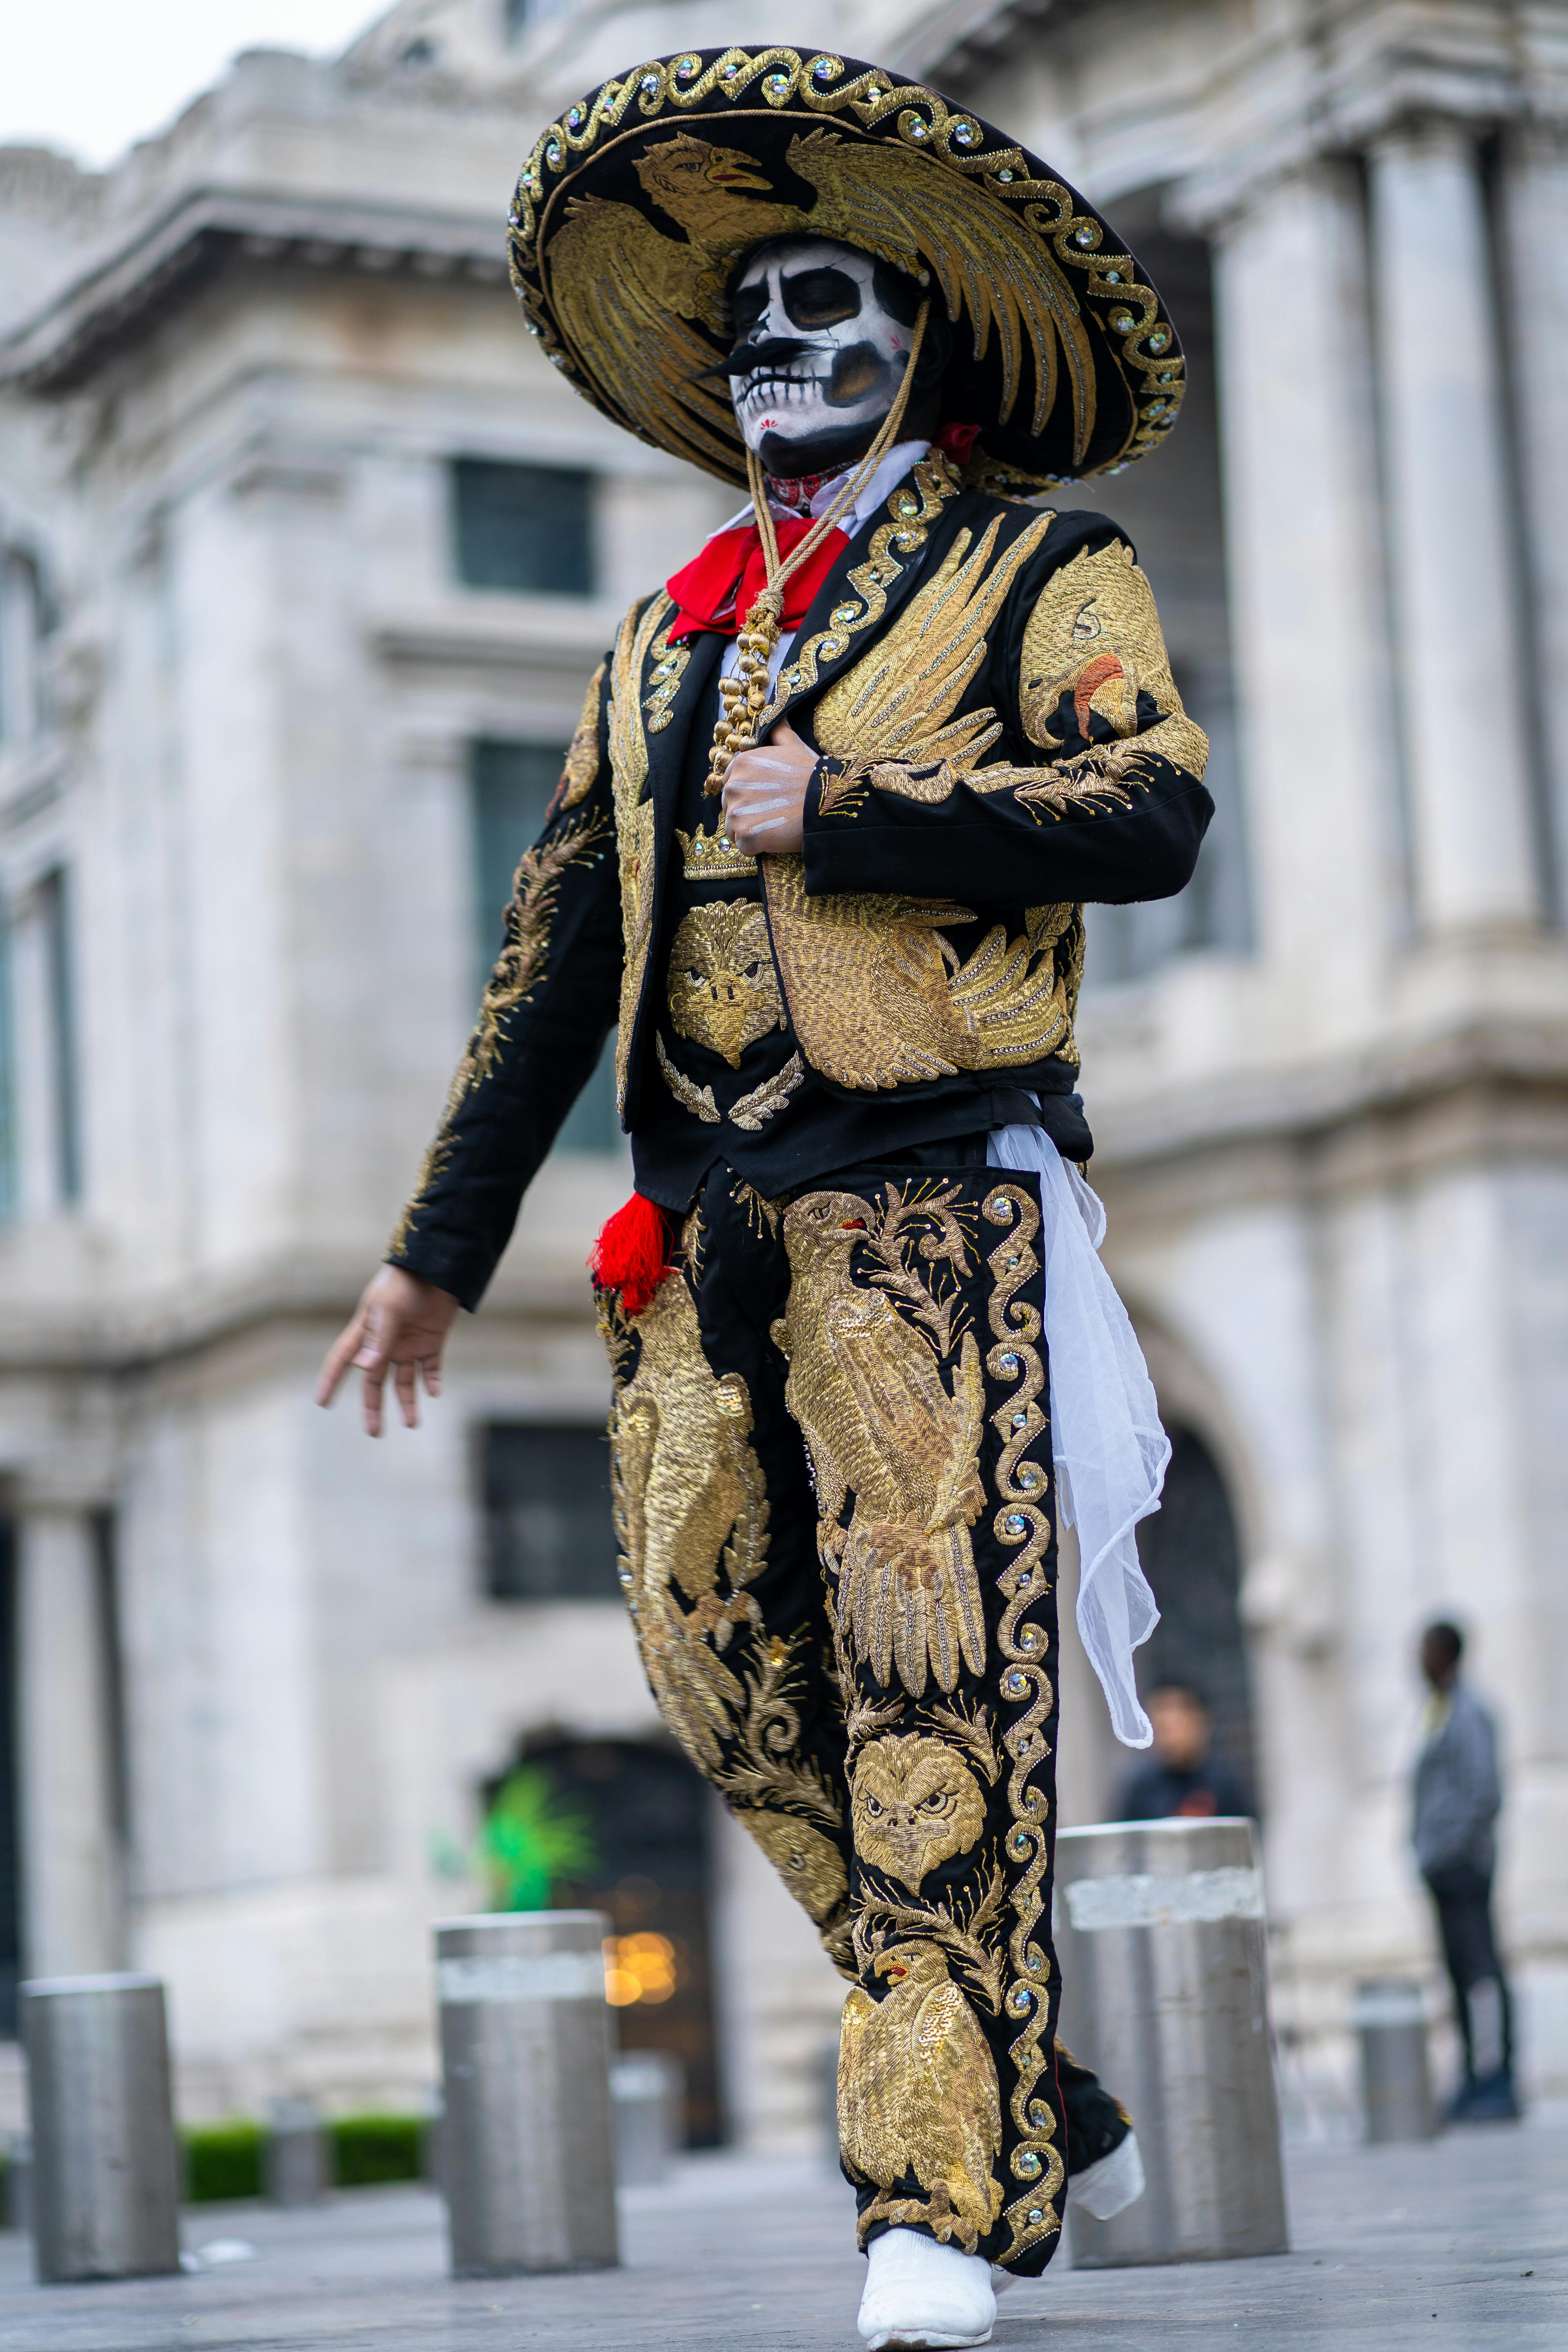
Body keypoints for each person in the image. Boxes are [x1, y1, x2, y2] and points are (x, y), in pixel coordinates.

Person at [319, 47, 1212, 2349]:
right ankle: (1028, 2088)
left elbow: (1154, 810)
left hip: (924, 1204)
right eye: (752, 335)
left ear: (915, 338)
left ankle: (934, 2204)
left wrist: (869, 802)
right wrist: (433, 1256)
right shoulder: (657, 647)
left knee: (936, 1689)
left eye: (827, 318)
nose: (781, 363)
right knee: (723, 1678)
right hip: (692, 1235)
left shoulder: (1044, 564)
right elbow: (550, 973)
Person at [1413, 1621, 1517, 2123]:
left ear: (1445, 1654)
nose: (1419, 1661)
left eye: (1426, 1651)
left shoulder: (1469, 1712)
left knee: (1483, 1971)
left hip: (1465, 1869)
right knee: (1458, 1974)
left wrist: (1450, 1849)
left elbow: (1482, 1790)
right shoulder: (1438, 1712)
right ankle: (1473, 2077)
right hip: (1442, 1868)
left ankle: (1500, 2078)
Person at [1118, 1682, 1249, 1820]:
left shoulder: (1222, 1783)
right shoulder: (1143, 1788)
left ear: (1200, 1721)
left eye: (1175, 1723)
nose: (1167, 1729)